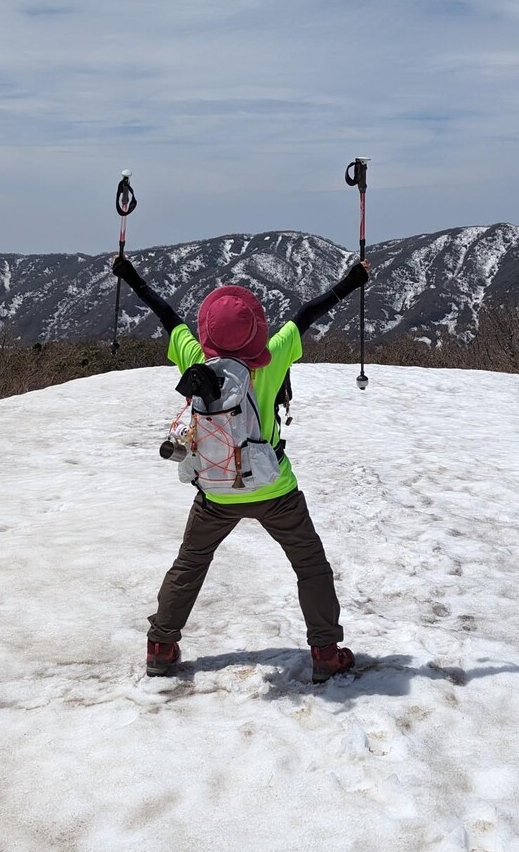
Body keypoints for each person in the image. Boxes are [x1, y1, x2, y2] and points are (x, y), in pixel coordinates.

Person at [110, 250, 369, 683]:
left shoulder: (194, 358)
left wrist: (130, 274)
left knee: (190, 563)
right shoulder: (274, 354)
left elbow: (165, 313)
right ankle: (325, 651)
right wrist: (350, 282)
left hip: (215, 490)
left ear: (207, 330)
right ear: (256, 329)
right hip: (274, 489)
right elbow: (307, 313)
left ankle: (161, 646)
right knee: (310, 565)